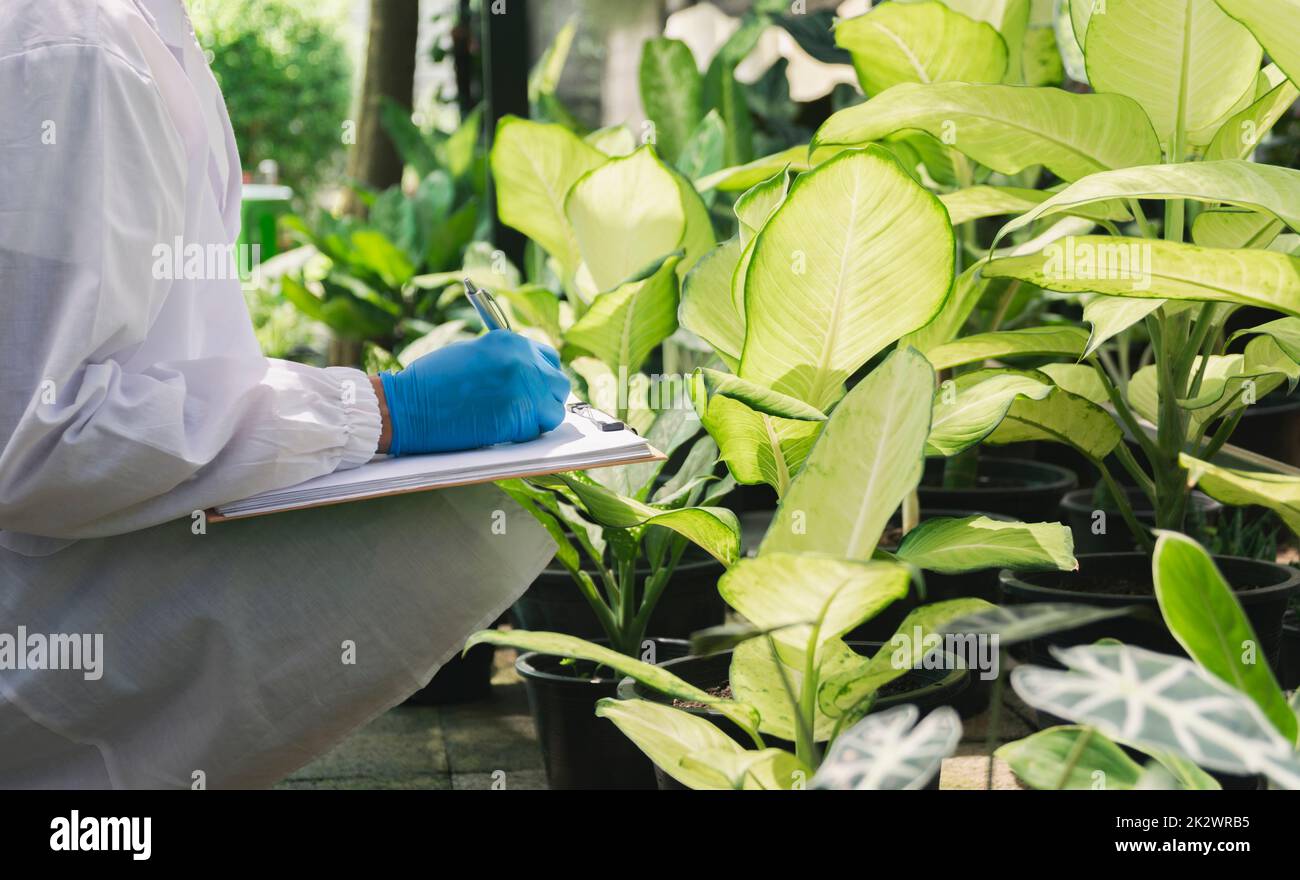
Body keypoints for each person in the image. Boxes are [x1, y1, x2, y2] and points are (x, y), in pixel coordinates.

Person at [0, 0, 568, 788]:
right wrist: (383, 410)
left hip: (79, 564)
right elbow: (36, 437)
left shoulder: (133, 31)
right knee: (482, 511)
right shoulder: (73, 46)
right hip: (40, 623)